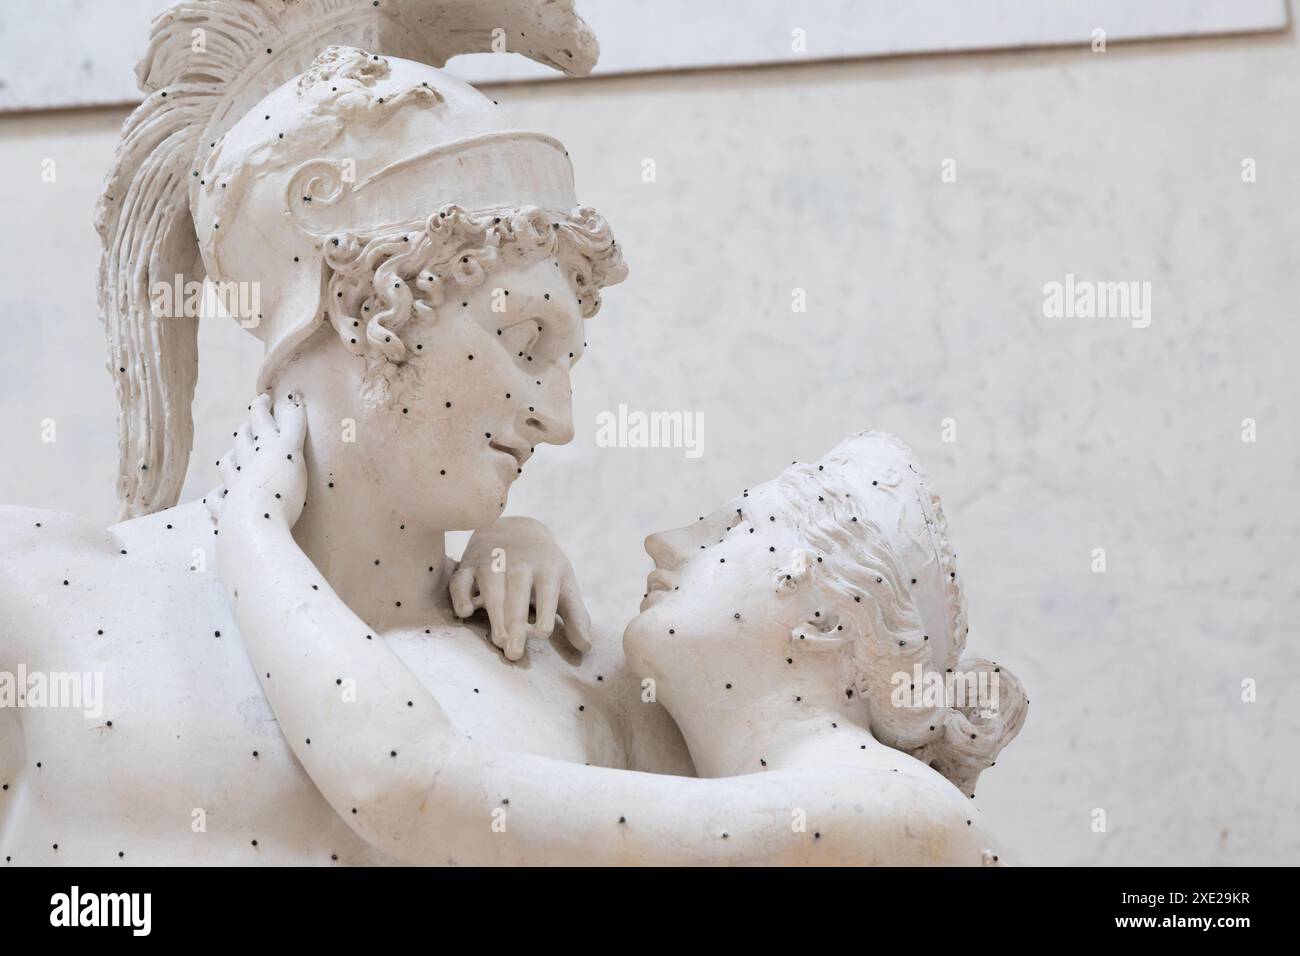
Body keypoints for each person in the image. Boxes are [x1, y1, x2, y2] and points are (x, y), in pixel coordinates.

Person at [216, 398, 1027, 865]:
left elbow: (412, 787)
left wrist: (250, 528)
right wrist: (503, 538)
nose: (666, 541)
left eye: (724, 530)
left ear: (819, 621)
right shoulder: (704, 776)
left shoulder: (891, 812)